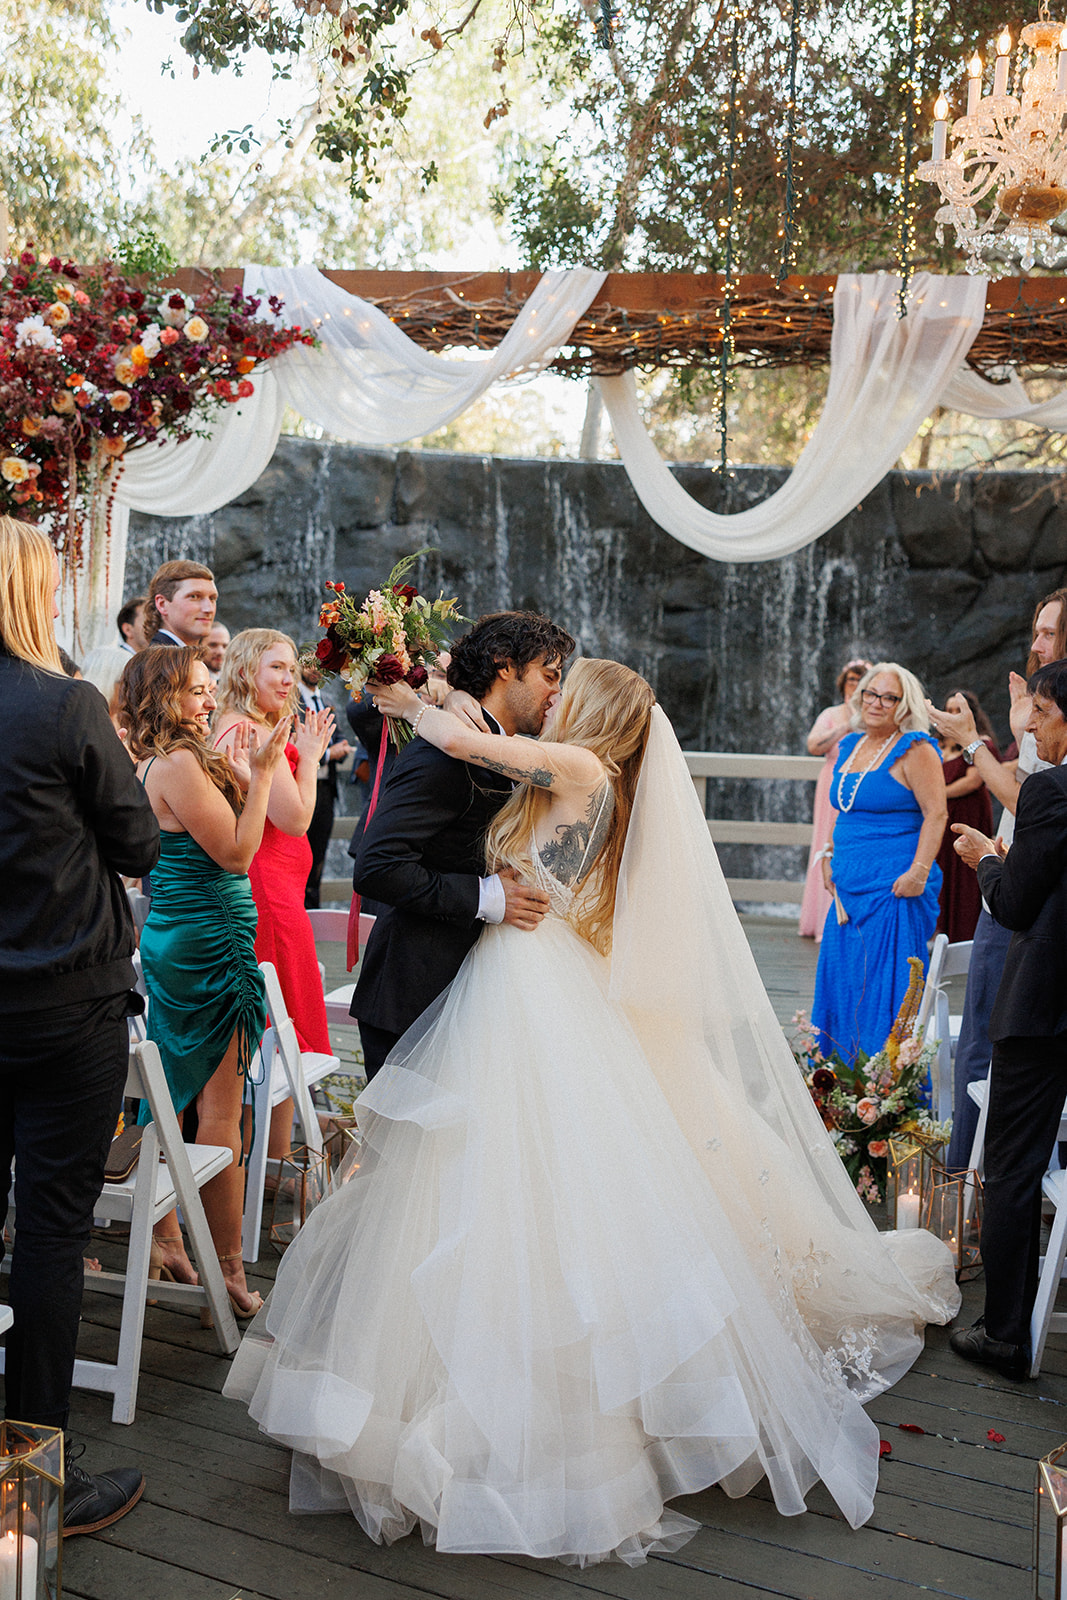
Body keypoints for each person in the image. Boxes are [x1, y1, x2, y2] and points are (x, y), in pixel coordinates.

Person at [225, 656, 959, 1563]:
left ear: (593, 713)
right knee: (508, 1174)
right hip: (532, 968)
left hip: (525, 979)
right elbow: (487, 740)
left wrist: (409, 704)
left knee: (512, 1174)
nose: (554, 698)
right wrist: (445, 696)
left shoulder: (579, 769)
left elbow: (463, 741)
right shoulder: (584, 772)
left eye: (568, 693)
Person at [0, 515, 158, 1534]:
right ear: (36, 594)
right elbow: (138, 840)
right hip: (64, 1006)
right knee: (52, 1235)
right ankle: (30, 1490)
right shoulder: (63, 705)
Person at [119, 645, 290, 1316]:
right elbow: (238, 853)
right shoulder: (180, 763)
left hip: (184, 936)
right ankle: (228, 1272)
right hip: (209, 944)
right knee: (220, 1112)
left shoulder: (155, 762)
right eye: (195, 687)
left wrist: (247, 773)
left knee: (168, 1096)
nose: (210, 692)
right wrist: (270, 772)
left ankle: (164, 1237)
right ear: (164, 697)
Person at [351, 612, 575, 1080]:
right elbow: (377, 865)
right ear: (504, 665)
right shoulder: (443, 756)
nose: (557, 692)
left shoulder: (496, 748)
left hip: (471, 996)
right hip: (417, 995)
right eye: (549, 675)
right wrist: (487, 897)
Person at [948, 657, 1067, 1379]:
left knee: (1014, 1168)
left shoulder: (1053, 790)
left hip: (1043, 1007)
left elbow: (1016, 904)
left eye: (1043, 715)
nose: (1035, 729)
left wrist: (983, 860)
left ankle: (1002, 1334)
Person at [927, 587, 1066, 1171]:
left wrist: (970, 743)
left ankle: (973, 1190)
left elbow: (1022, 792)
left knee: (986, 1048)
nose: (1035, 643)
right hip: (1022, 890)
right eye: (1035, 630)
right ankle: (981, 1181)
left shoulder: (1054, 710)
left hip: (1021, 899)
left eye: (1049, 632)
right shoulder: (1038, 705)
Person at [212, 630, 334, 1156]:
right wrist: (310, 755)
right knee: (279, 1031)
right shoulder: (248, 729)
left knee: (274, 1030)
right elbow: (297, 817)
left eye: (291, 669)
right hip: (271, 897)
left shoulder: (247, 723)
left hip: (275, 887)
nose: (289, 680)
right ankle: (275, 1163)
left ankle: (274, 1161)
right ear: (245, 672)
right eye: (277, 669)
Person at [811, 662, 947, 1063]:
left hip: (893, 889)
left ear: (904, 705)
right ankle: (838, 1093)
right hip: (846, 891)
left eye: (890, 697)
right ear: (858, 696)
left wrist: (918, 873)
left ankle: (884, 1100)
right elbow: (844, 811)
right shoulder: (851, 744)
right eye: (871, 693)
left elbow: (936, 813)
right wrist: (827, 855)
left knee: (885, 992)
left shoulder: (916, 748)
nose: (877, 703)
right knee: (843, 984)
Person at [799, 658, 871, 940]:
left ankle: (850, 913)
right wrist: (845, 727)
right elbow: (813, 745)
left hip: (863, 781)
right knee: (826, 844)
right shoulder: (831, 714)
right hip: (832, 781)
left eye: (860, 680)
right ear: (844, 684)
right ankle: (823, 919)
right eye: (851, 680)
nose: (855, 685)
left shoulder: (875, 714)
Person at [933, 688, 998, 942]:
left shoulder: (980, 743)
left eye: (957, 710)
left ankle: (965, 933)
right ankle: (941, 931)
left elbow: (973, 781)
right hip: (942, 818)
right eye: (947, 710)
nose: (951, 715)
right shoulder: (936, 743)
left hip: (969, 815)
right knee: (943, 870)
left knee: (965, 873)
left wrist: (938, 794)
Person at [299, 661, 352, 909]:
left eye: (318, 665)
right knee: (302, 856)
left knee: (319, 854)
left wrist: (332, 749)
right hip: (300, 785)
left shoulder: (327, 699)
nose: (315, 670)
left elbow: (340, 737)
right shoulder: (290, 700)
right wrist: (328, 754)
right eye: (308, 665)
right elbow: (296, 746)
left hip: (325, 791)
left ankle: (314, 913)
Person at [143, 560, 218, 648]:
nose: (209, 609)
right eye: (194, 597)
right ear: (162, 604)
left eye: (212, 598)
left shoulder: (178, 658)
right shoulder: (161, 660)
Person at [81, 644, 133, 733]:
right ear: (105, 682)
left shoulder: (125, 721)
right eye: (125, 683)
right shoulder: (84, 724)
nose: (130, 690)